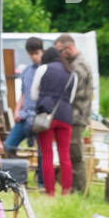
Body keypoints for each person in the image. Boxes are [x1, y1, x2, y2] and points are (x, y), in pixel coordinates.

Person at [29, 45, 77, 195]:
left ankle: (50, 191)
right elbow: (72, 98)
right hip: (65, 116)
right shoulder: (72, 73)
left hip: (46, 116)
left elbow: (33, 95)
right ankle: (66, 190)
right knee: (64, 155)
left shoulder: (43, 69)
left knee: (47, 155)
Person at [55, 33, 95, 193]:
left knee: (75, 153)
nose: (60, 55)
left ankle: (78, 190)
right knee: (71, 152)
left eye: (60, 51)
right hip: (75, 115)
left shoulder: (79, 66)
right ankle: (74, 187)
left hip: (76, 116)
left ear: (69, 48)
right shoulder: (77, 63)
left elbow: (71, 91)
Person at [3, 37, 45, 179]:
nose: (34, 57)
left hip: (40, 117)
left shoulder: (46, 70)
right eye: (31, 54)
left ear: (42, 51)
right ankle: (16, 175)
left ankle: (40, 180)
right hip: (25, 115)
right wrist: (16, 110)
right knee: (9, 146)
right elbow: (23, 94)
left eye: (36, 53)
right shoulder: (26, 71)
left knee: (42, 152)